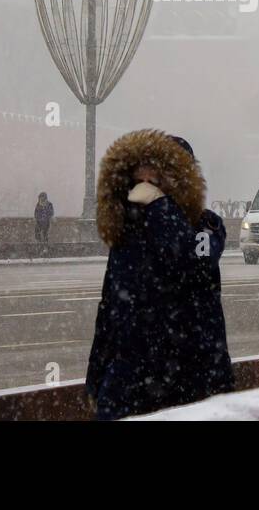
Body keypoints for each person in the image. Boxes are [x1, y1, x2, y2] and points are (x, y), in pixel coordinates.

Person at [85, 130, 234, 420]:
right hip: (129, 383)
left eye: (155, 180)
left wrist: (160, 207)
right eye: (140, 179)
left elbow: (193, 262)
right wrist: (97, 375)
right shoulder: (128, 231)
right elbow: (109, 308)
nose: (145, 186)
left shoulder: (206, 227)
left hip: (188, 379)